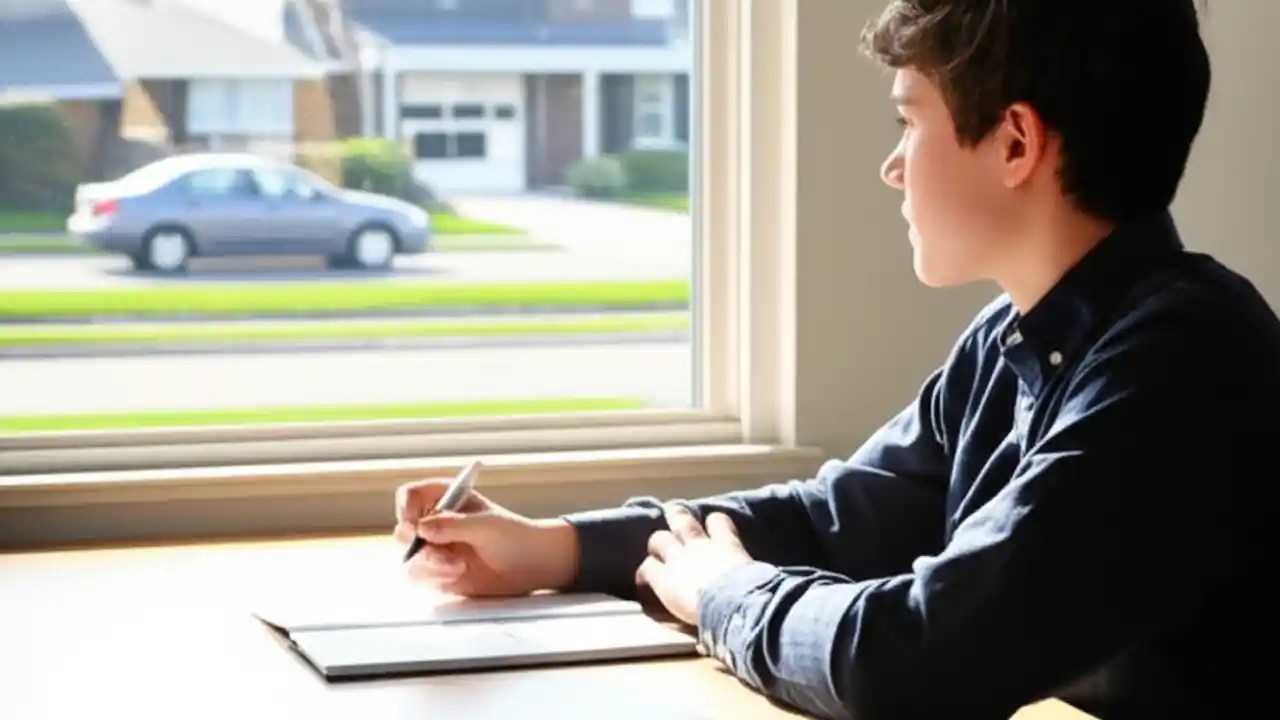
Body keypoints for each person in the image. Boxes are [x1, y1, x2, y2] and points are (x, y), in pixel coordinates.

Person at [393, 1, 1279, 717]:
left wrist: (726, 595)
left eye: (909, 121)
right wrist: (552, 550)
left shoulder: (1182, 365)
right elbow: (833, 522)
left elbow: (913, 658)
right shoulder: (1013, 341)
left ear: (1016, 142)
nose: (892, 167)